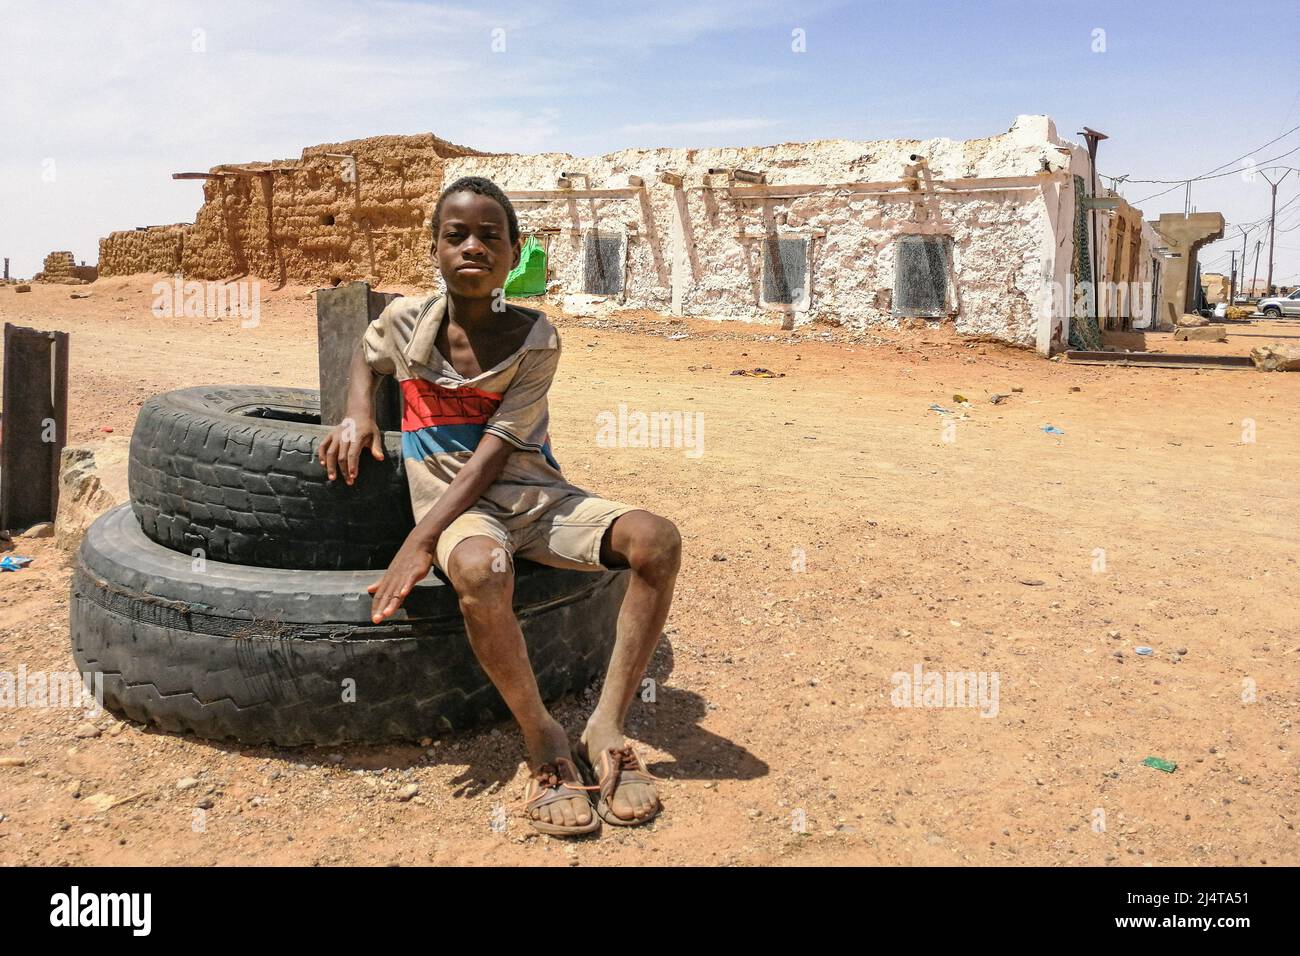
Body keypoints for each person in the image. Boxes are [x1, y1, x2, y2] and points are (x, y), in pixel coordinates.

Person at [318, 176, 681, 836]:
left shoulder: (536, 339)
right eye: (456, 235)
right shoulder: (404, 322)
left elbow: (494, 450)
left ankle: (606, 728)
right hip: (464, 515)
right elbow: (365, 356)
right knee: (483, 570)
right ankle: (543, 738)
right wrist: (357, 416)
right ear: (434, 248)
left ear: (515, 254)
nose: (473, 247)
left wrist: (418, 540)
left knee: (656, 539)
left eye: (491, 236)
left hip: (538, 497)